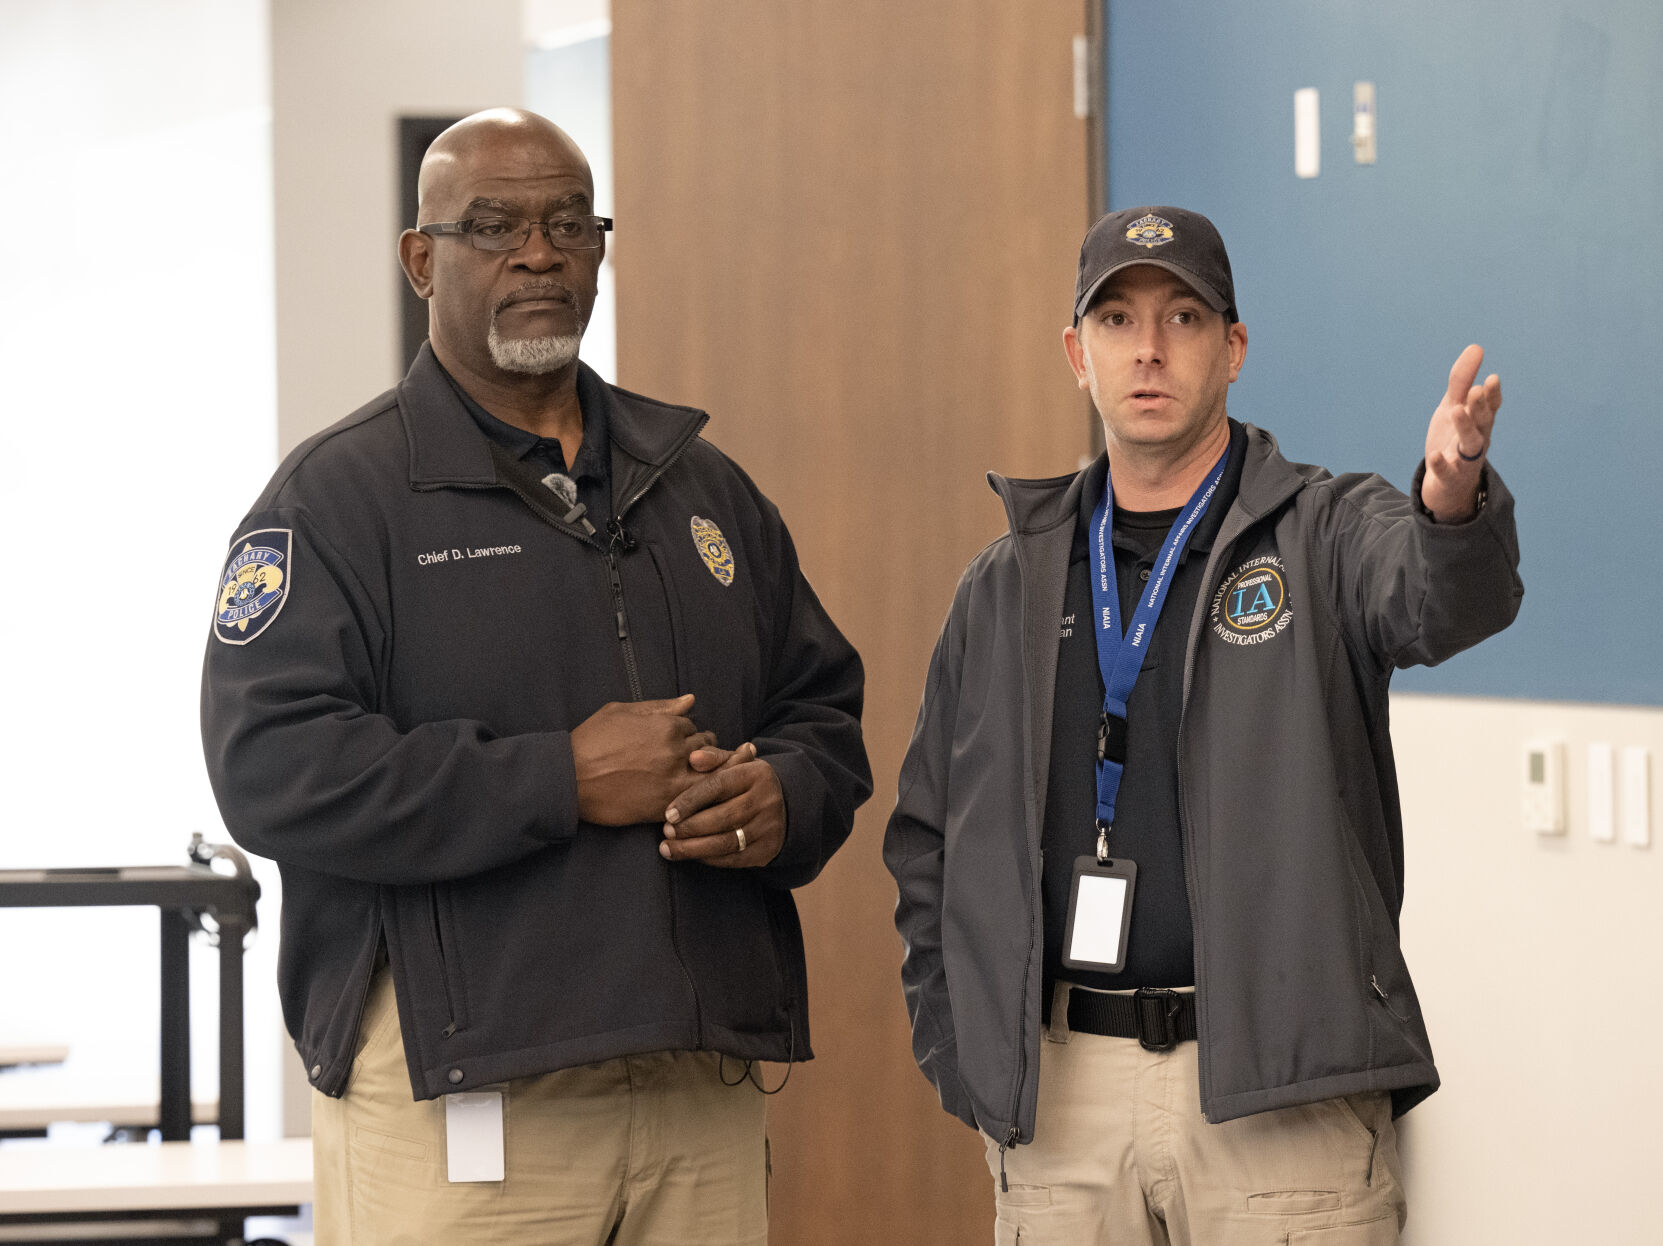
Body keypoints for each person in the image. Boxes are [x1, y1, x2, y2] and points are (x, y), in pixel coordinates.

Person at [201, 108, 870, 1245]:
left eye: (569, 221)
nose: (539, 252)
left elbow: (820, 712)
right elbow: (272, 770)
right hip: (465, 1099)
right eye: (495, 224)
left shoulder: (701, 489)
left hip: (694, 1088)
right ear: (422, 259)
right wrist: (556, 777)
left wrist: (784, 797)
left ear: (601, 248)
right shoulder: (336, 500)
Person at [884, 206, 1521, 1245]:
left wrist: (1450, 502)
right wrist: (968, 1052)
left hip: (1278, 1092)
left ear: (1232, 349)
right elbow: (927, 841)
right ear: (1074, 353)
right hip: (1063, 1104)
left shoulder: (1322, 532)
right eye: (1118, 318)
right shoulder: (1002, 586)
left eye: (1183, 316)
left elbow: (1436, 602)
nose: (1148, 347)